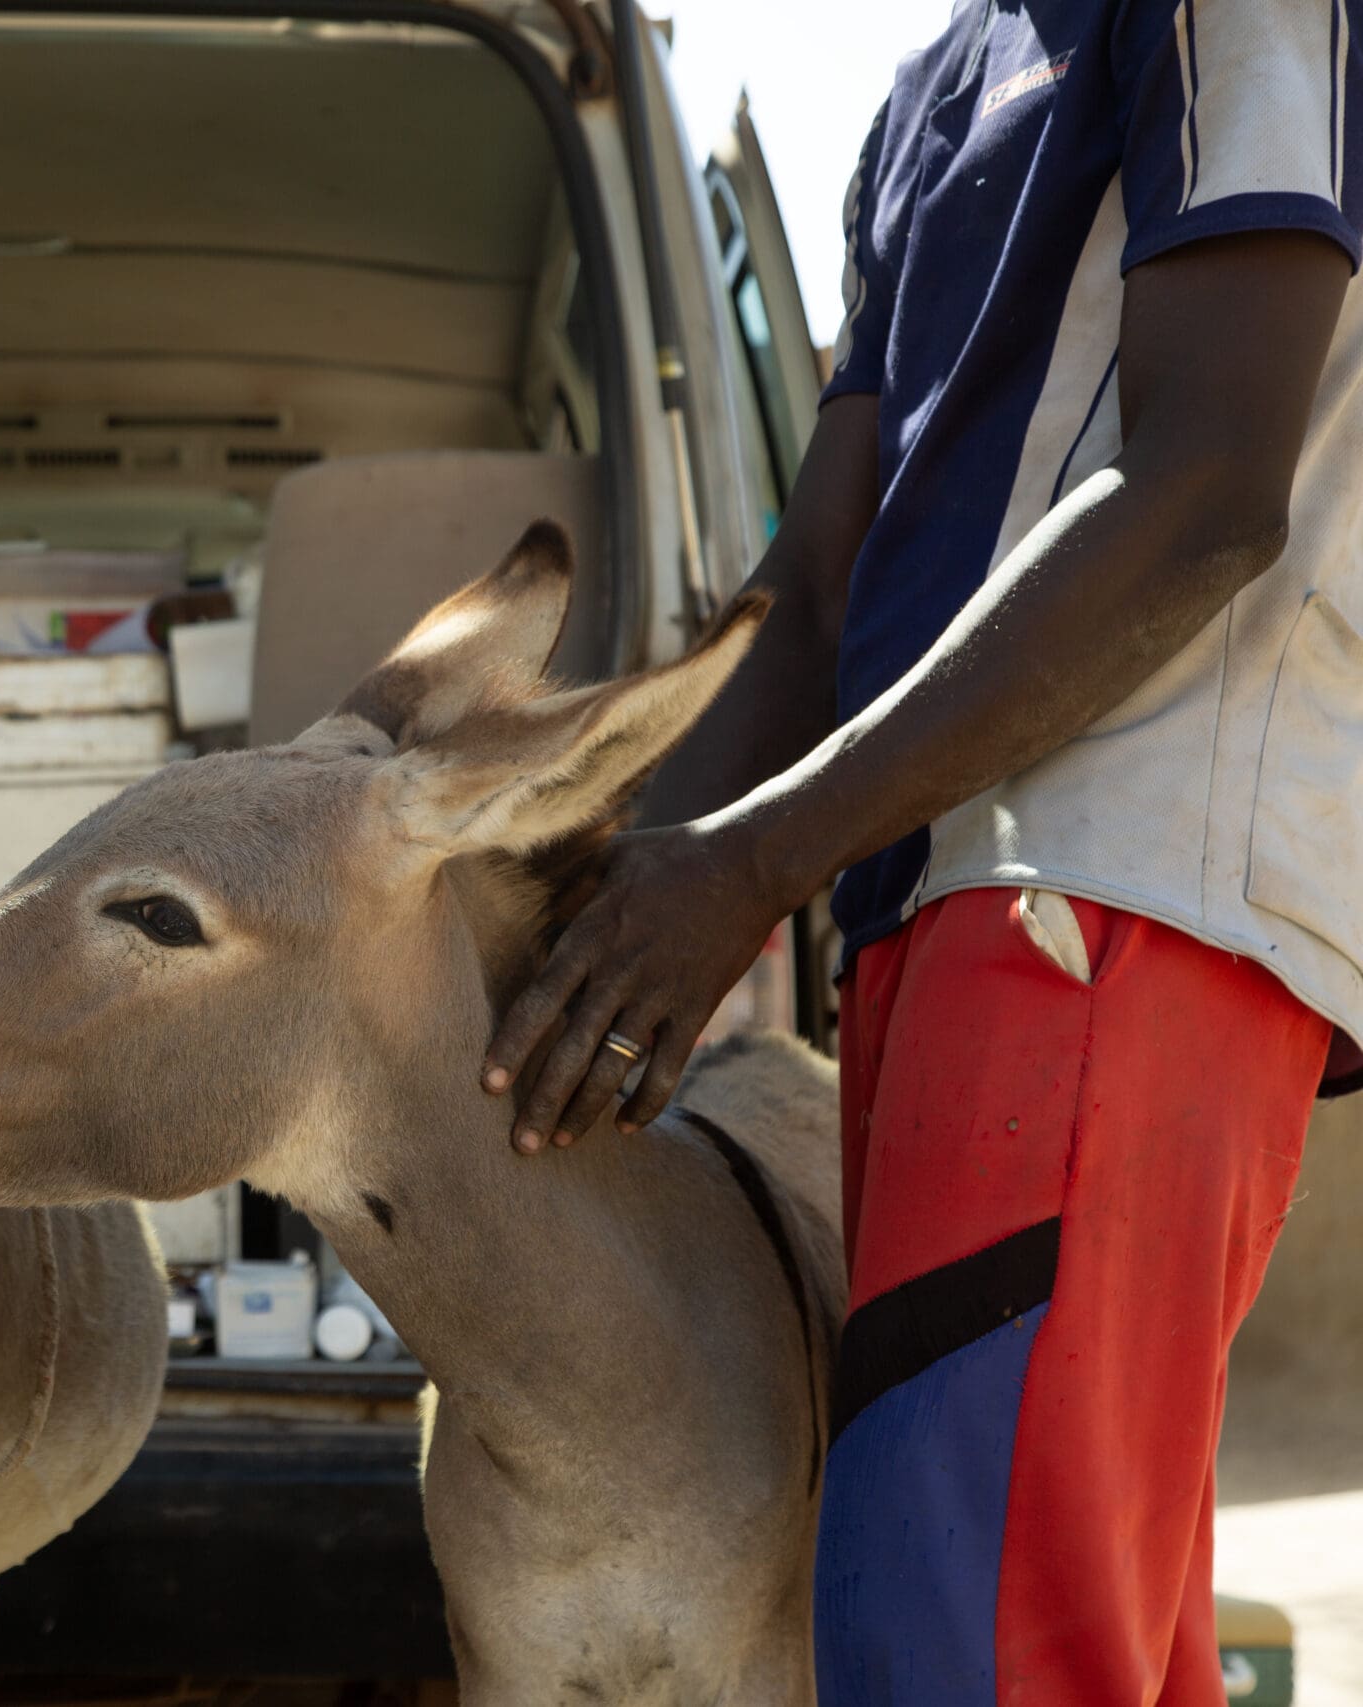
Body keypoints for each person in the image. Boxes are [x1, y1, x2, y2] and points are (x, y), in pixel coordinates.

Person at [482, 8, 1361, 1703]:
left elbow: (1209, 488)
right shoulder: (930, 96)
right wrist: (592, 902)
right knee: (1057, 1625)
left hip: (1106, 888)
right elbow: (815, 589)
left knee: (963, 1640)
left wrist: (750, 868)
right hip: (926, 894)